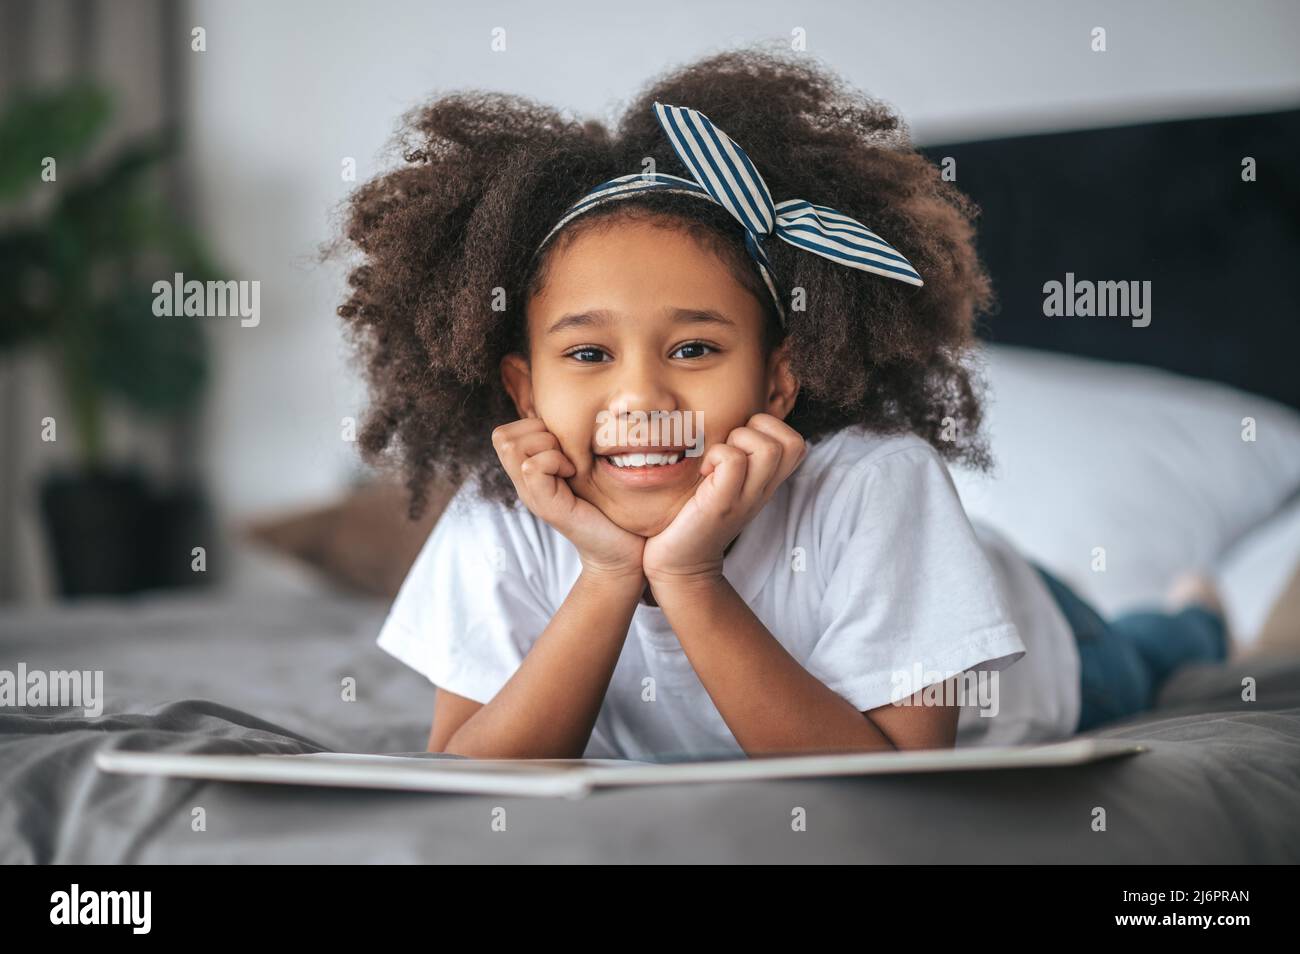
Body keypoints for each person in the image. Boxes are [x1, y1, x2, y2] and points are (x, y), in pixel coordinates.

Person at [334, 48, 1229, 760]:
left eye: (694, 348)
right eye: (588, 353)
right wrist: (611, 575)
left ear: (777, 379)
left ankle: (1196, 607)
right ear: (525, 387)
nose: (640, 394)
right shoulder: (505, 512)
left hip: (1045, 645)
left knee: (1149, 652)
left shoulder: (877, 485)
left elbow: (899, 777)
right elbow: (469, 773)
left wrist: (687, 578)